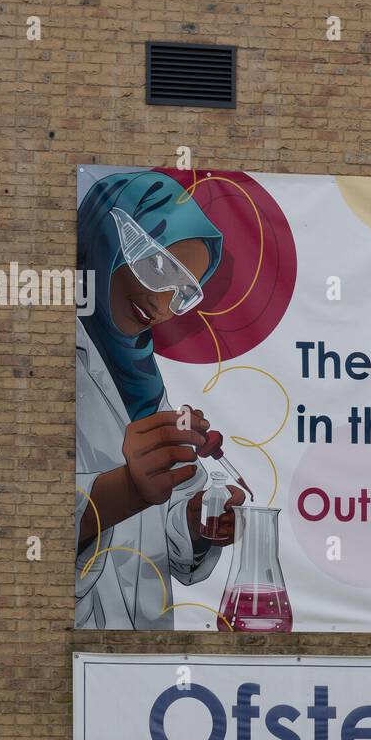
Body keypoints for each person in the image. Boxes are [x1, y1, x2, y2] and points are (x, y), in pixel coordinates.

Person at [75, 170, 243, 629]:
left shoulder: (144, 382)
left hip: (143, 652)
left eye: (183, 292)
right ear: (107, 238)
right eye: (159, 267)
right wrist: (125, 490)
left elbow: (172, 544)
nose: (163, 306)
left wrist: (196, 521)